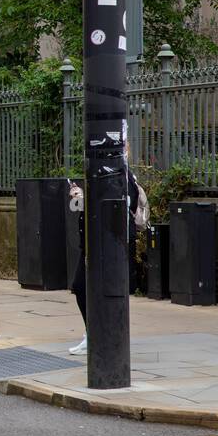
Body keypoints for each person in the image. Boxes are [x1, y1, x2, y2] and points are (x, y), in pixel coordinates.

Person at [66, 153, 146, 356]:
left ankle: (102, 335)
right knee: (81, 287)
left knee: (94, 288)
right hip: (95, 240)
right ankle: (95, 333)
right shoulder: (104, 173)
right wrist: (81, 197)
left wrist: (82, 198)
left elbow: (117, 204)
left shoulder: (120, 174)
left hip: (107, 241)